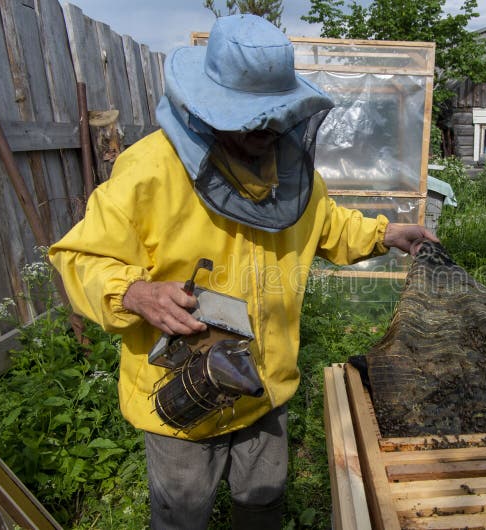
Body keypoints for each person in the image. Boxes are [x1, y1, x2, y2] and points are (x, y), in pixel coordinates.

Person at [49, 14, 437, 530]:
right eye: (249, 118)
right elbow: (79, 258)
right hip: (182, 392)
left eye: (272, 117)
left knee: (262, 505)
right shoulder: (148, 171)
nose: (264, 131)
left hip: (265, 385)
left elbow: (324, 224)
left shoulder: (292, 171)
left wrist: (384, 234)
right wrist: (135, 292)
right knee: (182, 515)